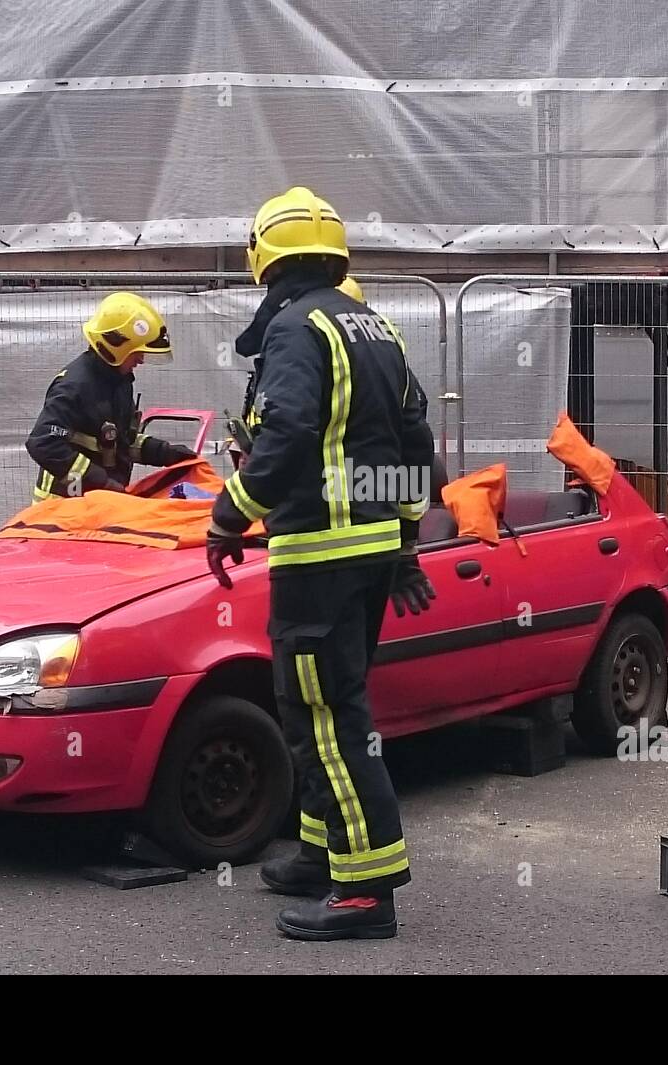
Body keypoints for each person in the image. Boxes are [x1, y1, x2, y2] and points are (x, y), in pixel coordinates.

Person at [206, 186, 435, 941]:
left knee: (328, 721)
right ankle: (320, 848)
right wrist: (401, 537)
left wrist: (232, 509)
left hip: (318, 560)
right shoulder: (376, 327)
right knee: (332, 710)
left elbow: (290, 429)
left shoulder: (297, 328)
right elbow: (414, 441)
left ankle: (365, 891)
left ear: (264, 254)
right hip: (366, 556)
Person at [26, 292, 195, 501]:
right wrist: (100, 481)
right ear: (117, 347)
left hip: (97, 504)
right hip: (60, 509)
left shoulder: (119, 382)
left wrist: (164, 453)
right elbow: (42, 442)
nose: (141, 360)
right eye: (136, 352)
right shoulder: (74, 386)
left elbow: (121, 440)